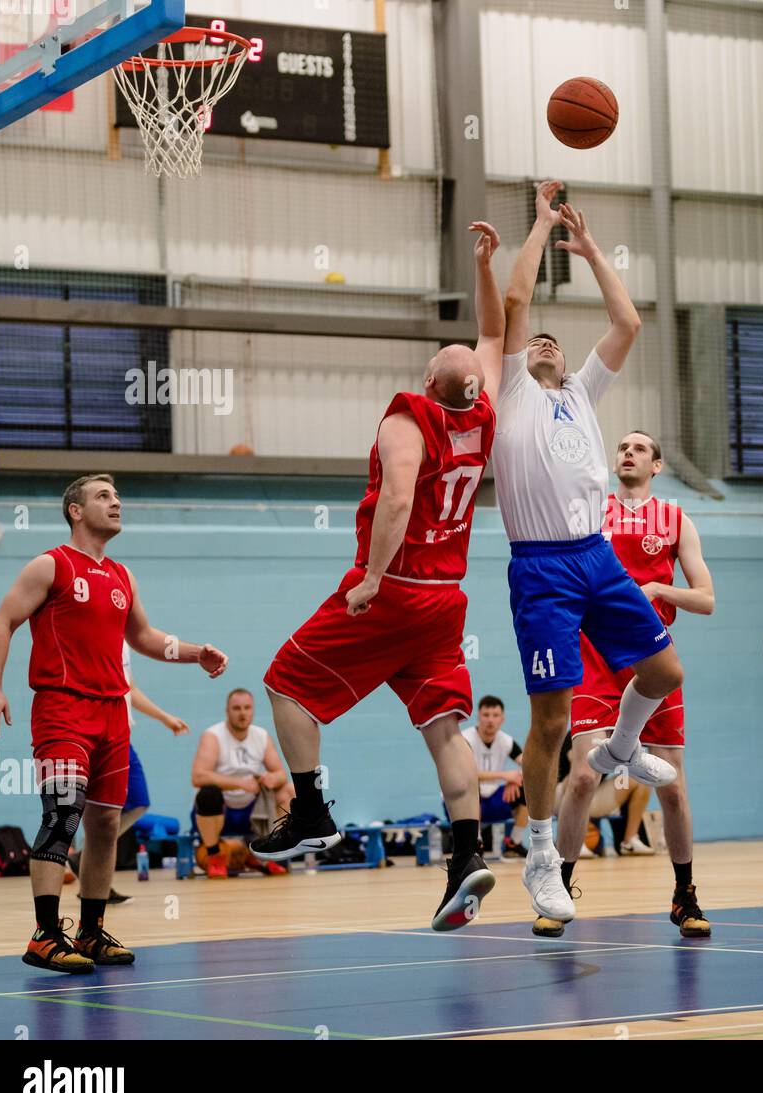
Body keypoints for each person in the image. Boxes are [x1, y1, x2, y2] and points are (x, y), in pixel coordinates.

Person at [251, 221, 506, 933]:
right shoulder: (483, 416)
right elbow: (494, 334)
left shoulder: (409, 415)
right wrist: (485, 265)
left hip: (394, 590)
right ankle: (466, 857)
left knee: (284, 682)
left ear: (428, 383)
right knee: (444, 730)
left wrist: (370, 576)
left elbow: (396, 498)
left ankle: (310, 813)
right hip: (445, 600)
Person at [494, 182, 682, 926]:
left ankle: (624, 749)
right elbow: (514, 304)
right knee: (550, 722)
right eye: (537, 342)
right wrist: (540, 225)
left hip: (596, 556)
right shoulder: (514, 389)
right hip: (540, 566)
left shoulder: (578, 391)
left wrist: (593, 248)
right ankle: (543, 860)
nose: (543, 343)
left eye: (553, 343)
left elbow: (628, 321)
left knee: (664, 670)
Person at [0, 474, 228, 974]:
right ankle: (46, 936)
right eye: (103, 497)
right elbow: (2, 623)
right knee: (62, 812)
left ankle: (89, 932)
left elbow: (145, 637)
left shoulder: (121, 576)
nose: (116, 503)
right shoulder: (51, 565)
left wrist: (195, 652)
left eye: (116, 497)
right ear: (75, 510)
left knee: (106, 825)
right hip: (63, 707)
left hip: (114, 715)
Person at [546, 431, 716, 938]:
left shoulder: (676, 519)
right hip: (595, 655)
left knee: (673, 786)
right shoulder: (591, 510)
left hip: (653, 654)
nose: (628, 452)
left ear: (658, 465)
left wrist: (660, 587)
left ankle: (685, 894)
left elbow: (706, 599)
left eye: (639, 448)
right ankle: (558, 884)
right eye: (622, 447)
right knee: (581, 776)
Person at [71, 641, 190, 904]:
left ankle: (85, 859)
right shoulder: (92, 635)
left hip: (122, 733)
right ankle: (95, 883)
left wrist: (163, 717)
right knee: (99, 812)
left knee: (138, 802)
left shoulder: (122, 643)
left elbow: (130, 688)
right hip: (97, 733)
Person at [191, 688, 293, 878]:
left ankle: (270, 854)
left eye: (247, 708)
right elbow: (198, 777)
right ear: (227, 711)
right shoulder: (213, 736)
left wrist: (271, 778)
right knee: (207, 794)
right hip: (221, 810)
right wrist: (239, 783)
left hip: (252, 811)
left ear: (253, 710)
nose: (242, 713)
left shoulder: (261, 736)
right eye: (236, 708)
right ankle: (215, 856)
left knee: (288, 790)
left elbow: (281, 774)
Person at [460, 695, 529, 856]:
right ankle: (475, 844)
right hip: (464, 801)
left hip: (492, 799)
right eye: (486, 715)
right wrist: (506, 776)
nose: (490, 720)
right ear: (478, 717)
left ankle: (514, 843)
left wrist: (517, 778)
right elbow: (465, 774)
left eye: (495, 715)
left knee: (526, 788)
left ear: (502, 719)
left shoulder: (506, 741)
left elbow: (529, 767)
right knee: (470, 785)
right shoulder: (464, 739)